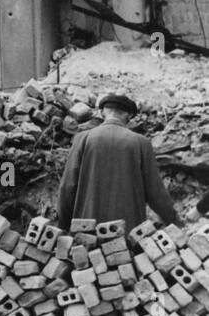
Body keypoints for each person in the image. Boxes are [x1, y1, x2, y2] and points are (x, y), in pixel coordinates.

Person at [58, 92, 180, 231]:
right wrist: (174, 220)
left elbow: (67, 188)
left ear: (102, 112)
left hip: (86, 233)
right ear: (128, 116)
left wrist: (64, 226)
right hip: (128, 234)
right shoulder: (141, 143)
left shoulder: (83, 139)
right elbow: (155, 192)